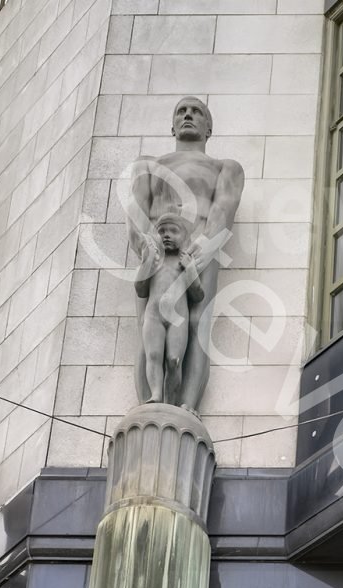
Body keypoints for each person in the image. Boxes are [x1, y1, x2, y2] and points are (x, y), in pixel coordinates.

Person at [127, 97, 244, 411]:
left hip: (199, 246)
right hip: (156, 250)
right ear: (172, 125)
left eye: (197, 111)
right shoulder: (148, 165)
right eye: (182, 111)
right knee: (148, 326)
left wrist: (202, 249)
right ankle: (150, 403)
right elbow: (136, 216)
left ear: (209, 128)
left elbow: (223, 212)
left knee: (196, 323)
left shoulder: (225, 168)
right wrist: (147, 248)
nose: (189, 115)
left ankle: (188, 407)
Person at [134, 213, 204, 405]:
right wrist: (146, 264)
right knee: (154, 355)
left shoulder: (185, 263)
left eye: (173, 231)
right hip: (153, 315)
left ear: (183, 236)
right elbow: (140, 289)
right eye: (162, 231)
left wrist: (190, 270)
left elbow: (198, 294)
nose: (167, 235)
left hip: (177, 317)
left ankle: (170, 403)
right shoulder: (154, 262)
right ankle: (156, 394)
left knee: (174, 360)